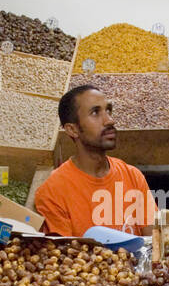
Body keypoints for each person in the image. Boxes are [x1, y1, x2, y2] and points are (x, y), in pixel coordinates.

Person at [34, 85, 156, 237]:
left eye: (108, 111)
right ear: (72, 130)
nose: (110, 121)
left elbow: (154, 241)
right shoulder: (53, 192)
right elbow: (64, 256)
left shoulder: (132, 176)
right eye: (95, 113)